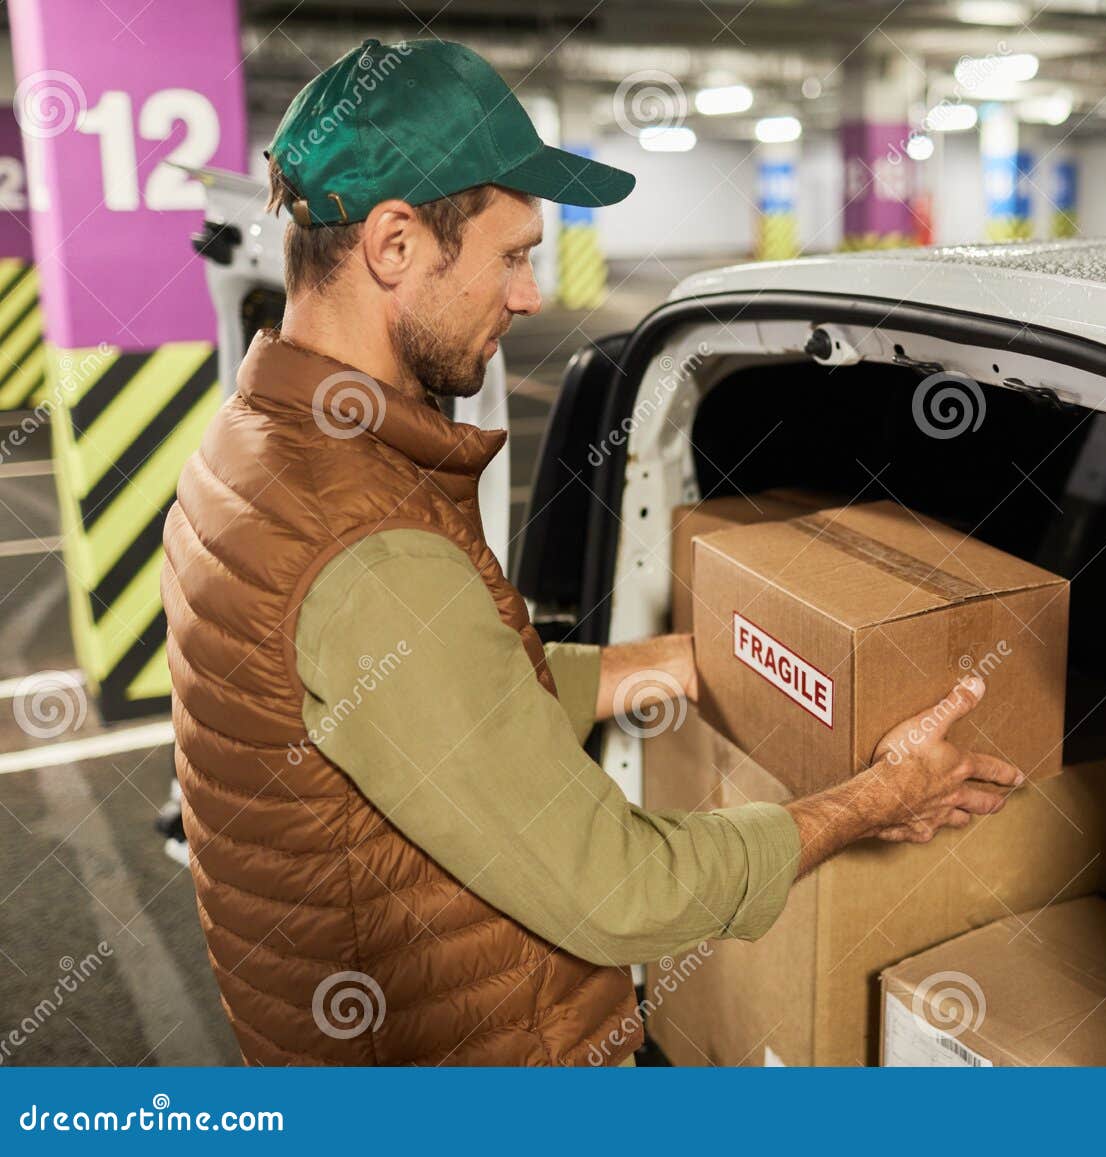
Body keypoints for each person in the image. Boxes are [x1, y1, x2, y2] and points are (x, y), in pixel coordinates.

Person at [160, 37, 1022, 1067]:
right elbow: (620, 888)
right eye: (512, 253)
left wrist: (635, 667)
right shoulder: (370, 549)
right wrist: (883, 797)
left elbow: (404, 697)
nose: (529, 296)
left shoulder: (256, 442)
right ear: (393, 244)